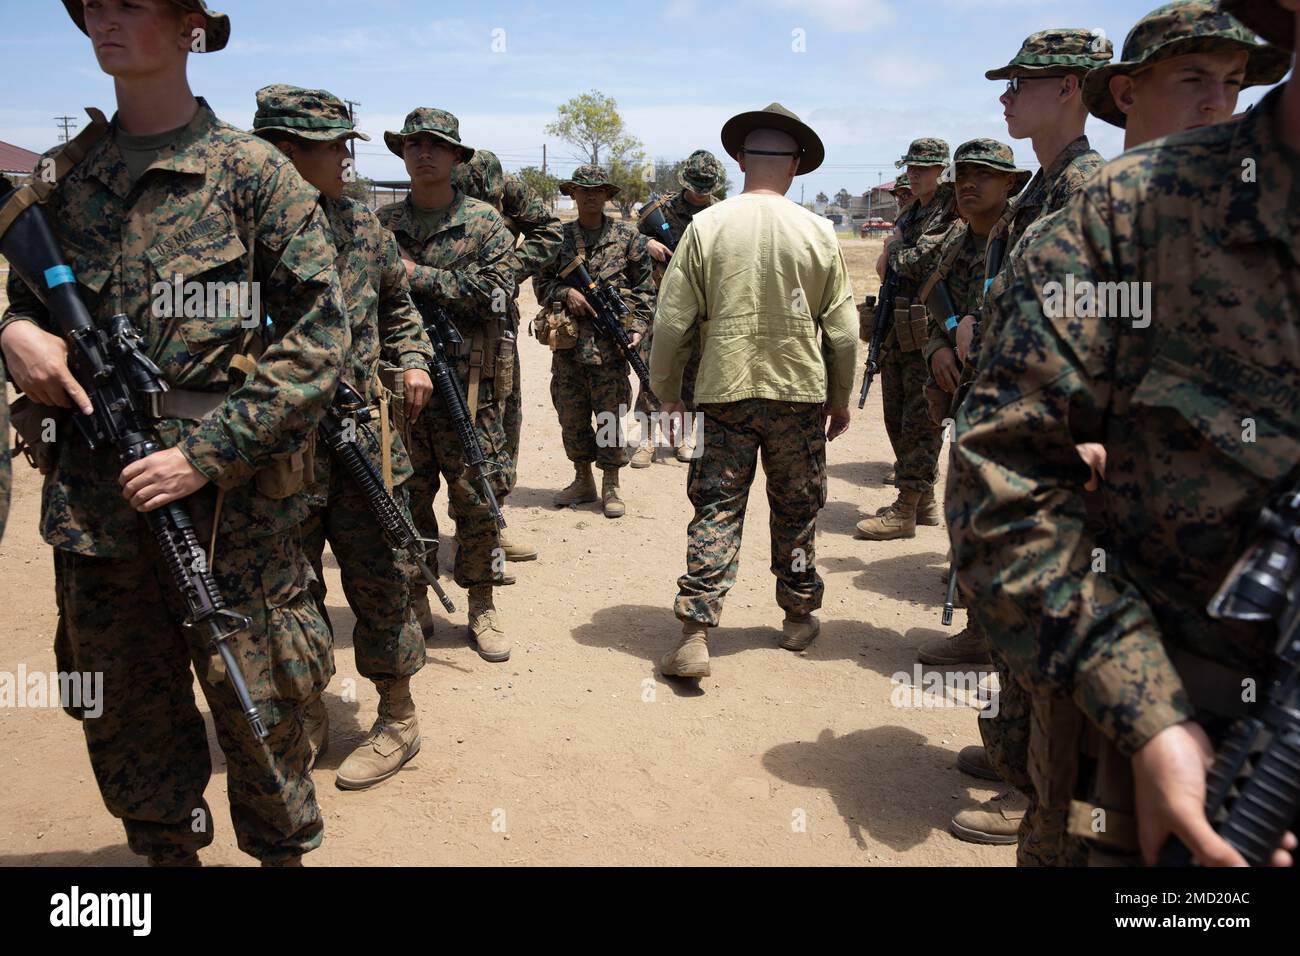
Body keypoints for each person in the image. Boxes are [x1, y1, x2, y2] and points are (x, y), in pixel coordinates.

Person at [948, 0, 1299, 868]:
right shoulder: (1116, 211)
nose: (1215, 101)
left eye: (1228, 82)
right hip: (1155, 739)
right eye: (1191, 80)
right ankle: (1024, 778)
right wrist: (1148, 715)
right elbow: (1008, 476)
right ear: (1122, 92)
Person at [0, 0, 349, 865]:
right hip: (98, 505)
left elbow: (319, 339)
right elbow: (27, 309)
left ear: (190, 25)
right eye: (95, 8)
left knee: (262, 717)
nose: (105, 22)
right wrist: (12, 336)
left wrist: (204, 454)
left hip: (232, 513)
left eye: (132, 4)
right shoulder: (57, 181)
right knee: (128, 721)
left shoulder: (252, 173)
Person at [252, 84, 436, 790]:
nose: (348, 158)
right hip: (274, 453)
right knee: (286, 591)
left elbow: (398, 305)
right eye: (335, 146)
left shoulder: (361, 228)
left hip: (360, 442)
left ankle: (397, 717)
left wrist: (413, 358)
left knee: (380, 578)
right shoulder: (237, 234)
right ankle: (303, 711)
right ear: (286, 153)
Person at [651, 103, 857, 680]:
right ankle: (796, 616)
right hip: (799, 392)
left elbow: (672, 322)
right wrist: (840, 399)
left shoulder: (706, 226)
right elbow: (842, 330)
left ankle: (695, 631)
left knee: (717, 505)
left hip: (725, 391)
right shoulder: (820, 231)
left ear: (739, 160)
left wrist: (667, 391)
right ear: (795, 167)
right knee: (796, 506)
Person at [377, 108, 519, 662]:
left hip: (471, 388)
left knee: (477, 503)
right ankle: (417, 599)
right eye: (413, 144)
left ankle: (482, 603)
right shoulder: (382, 225)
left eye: (437, 145)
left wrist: (419, 276)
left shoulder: (485, 223)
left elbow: (498, 294)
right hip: (401, 391)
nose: (424, 153)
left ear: (458, 157)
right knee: (408, 499)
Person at [452, 149, 563, 562]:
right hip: (441, 322)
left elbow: (550, 231)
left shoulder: (510, 186)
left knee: (501, 418)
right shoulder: (437, 187)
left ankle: (489, 528)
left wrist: (507, 268)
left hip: (497, 324)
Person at [532, 164, 654, 519]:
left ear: (608, 195)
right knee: (571, 414)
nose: (590, 195)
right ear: (572, 193)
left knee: (610, 417)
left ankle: (611, 484)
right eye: (582, 189)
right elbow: (540, 284)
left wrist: (636, 326)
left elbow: (644, 289)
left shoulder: (629, 238)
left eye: (597, 190)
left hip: (610, 348)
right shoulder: (559, 238)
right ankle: (582, 480)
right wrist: (566, 291)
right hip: (569, 346)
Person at [856, 138, 955, 540]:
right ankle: (924, 499)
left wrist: (894, 248)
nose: (914, 175)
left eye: (923, 168)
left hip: (931, 330)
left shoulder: (949, 209)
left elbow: (920, 260)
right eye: (911, 168)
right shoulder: (911, 210)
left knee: (921, 421)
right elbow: (890, 267)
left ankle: (906, 508)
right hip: (900, 326)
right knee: (896, 416)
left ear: (940, 169)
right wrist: (894, 249)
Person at [631, 149, 724, 467]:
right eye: (696, 185)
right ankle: (646, 440)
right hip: (661, 303)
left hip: (701, 306)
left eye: (705, 186)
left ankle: (685, 437)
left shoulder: (721, 214)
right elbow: (624, 237)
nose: (700, 192)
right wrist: (647, 244)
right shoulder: (660, 210)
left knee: (694, 373)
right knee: (651, 371)